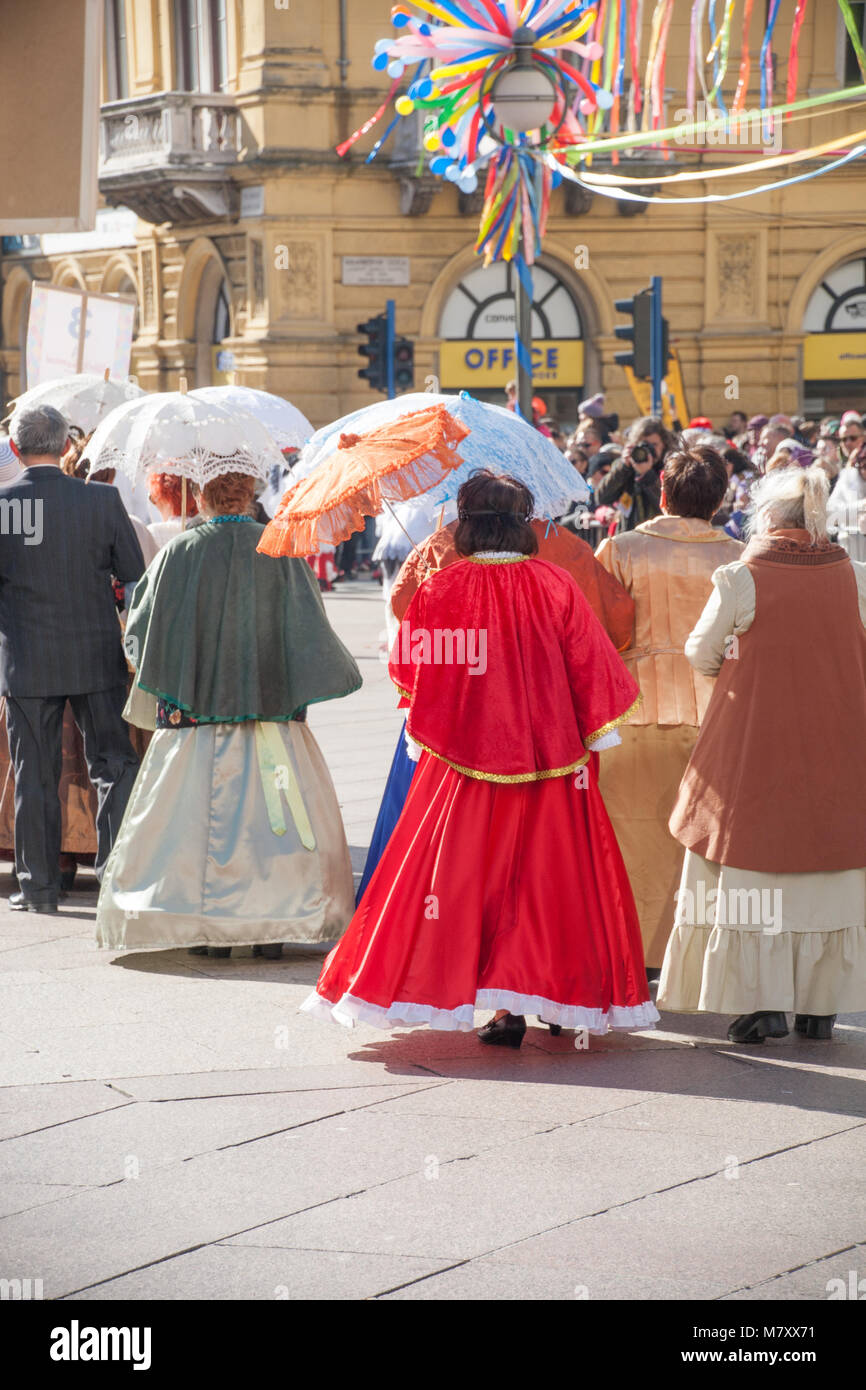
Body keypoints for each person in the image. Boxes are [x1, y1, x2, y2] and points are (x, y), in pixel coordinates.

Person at [302, 470, 657, 1046]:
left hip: (463, 768)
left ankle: (502, 1010)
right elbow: (593, 668)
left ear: (467, 523)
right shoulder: (556, 583)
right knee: (552, 884)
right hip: (554, 765)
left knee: (463, 885)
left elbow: (411, 671)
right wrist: (589, 735)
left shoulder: (444, 588)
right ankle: (558, 1000)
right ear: (521, 523)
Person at [96, 468, 362, 955]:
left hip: (195, 722)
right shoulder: (280, 547)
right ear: (249, 496)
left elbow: (140, 631)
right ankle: (279, 926)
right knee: (274, 821)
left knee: (195, 823)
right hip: (272, 721)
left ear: (202, 496)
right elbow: (308, 625)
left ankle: (208, 930)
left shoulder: (181, 550)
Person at [659, 464, 866, 1043]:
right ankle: (822, 1006)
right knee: (833, 871)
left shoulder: (741, 577)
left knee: (747, 868)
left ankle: (762, 1002)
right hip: (840, 744)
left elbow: (700, 655)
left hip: (754, 746)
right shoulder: (857, 575)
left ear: (769, 516)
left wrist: (740, 652)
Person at [595, 447, 744, 972]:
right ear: (720, 499)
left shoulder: (621, 548)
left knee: (631, 839)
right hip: (719, 714)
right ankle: (697, 955)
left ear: (662, 491)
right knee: (705, 843)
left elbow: (593, 635)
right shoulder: (739, 556)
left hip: (633, 713)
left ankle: (631, 952)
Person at [0, 405, 144, 913]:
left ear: (14, 449)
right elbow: (133, 576)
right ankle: (116, 879)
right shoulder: (102, 501)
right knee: (114, 764)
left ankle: (38, 888)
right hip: (95, 653)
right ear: (66, 448)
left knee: (33, 772)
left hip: (25, 658)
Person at [594, 416, 675, 532]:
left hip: (660, 540)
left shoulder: (671, 469)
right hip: (629, 539)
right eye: (644, 444)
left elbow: (670, 507)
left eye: (654, 445)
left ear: (664, 445)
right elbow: (602, 497)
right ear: (634, 444)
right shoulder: (626, 467)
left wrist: (647, 475)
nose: (649, 449)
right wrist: (623, 467)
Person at [827, 437, 866, 561]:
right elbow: (831, 512)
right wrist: (861, 506)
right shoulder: (848, 478)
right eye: (864, 466)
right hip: (852, 551)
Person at [147, 471, 198, 549]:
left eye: (152, 498)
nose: (156, 505)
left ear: (166, 499)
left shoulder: (154, 532)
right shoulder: (203, 530)